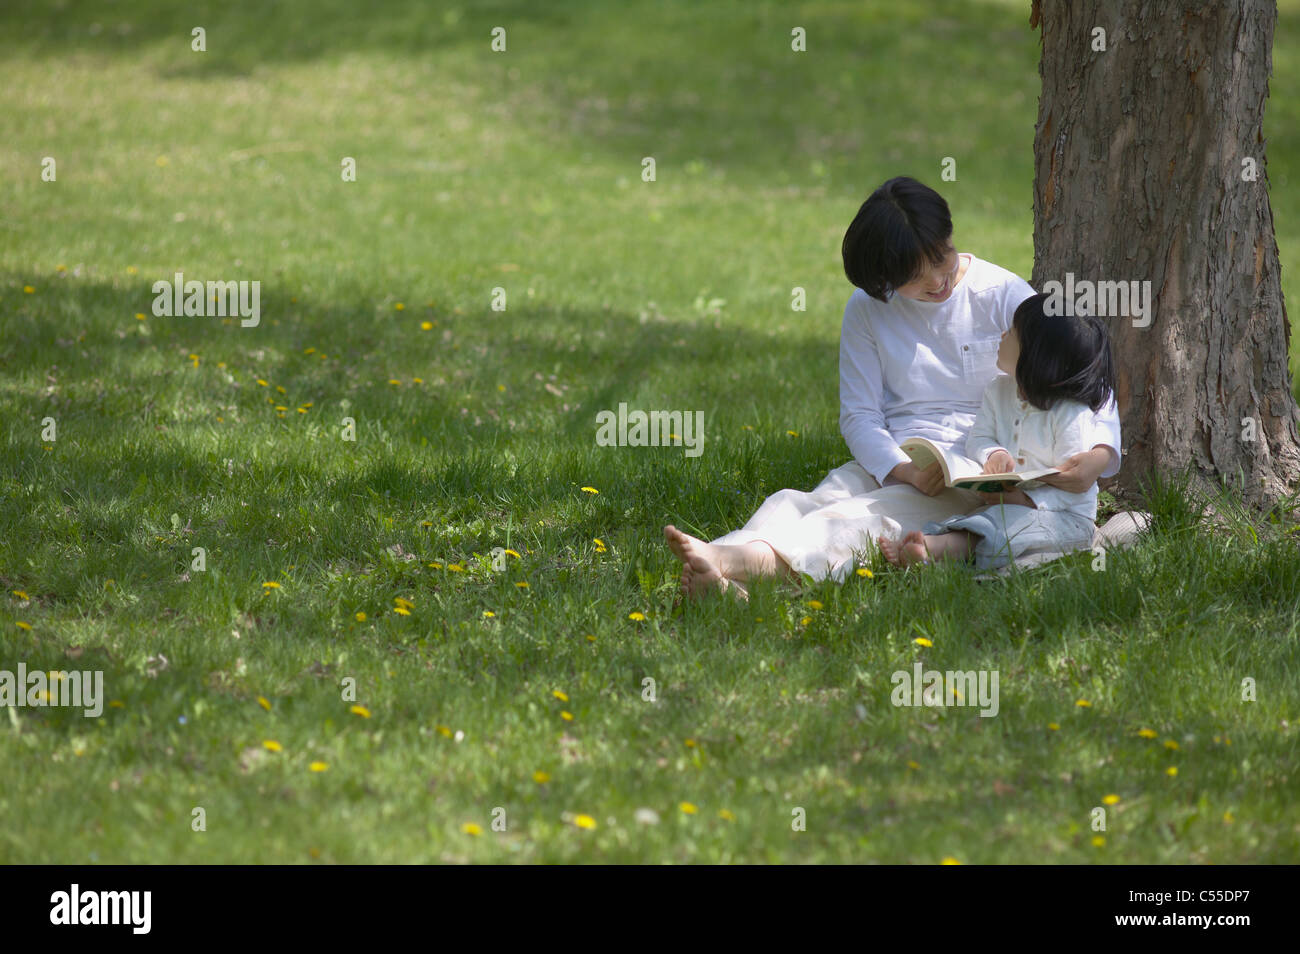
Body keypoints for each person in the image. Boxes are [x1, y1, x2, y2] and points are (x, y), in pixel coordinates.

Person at [664, 176, 1121, 597]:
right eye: (916, 278)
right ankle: (726, 572)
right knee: (810, 499)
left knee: (859, 521)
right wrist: (902, 469)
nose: (938, 281)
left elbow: (1079, 371)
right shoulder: (867, 309)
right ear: (884, 280)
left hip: (972, 469)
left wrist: (1098, 457)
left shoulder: (1001, 294)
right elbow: (860, 416)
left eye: (941, 258)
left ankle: (727, 565)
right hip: (900, 457)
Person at [878, 293, 1114, 569]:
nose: (1003, 335)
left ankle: (934, 549)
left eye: (1012, 333)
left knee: (1005, 528)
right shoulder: (998, 390)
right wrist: (994, 453)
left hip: (1065, 517)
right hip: (1005, 507)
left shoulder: (1070, 415)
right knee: (983, 520)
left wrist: (1024, 500)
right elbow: (979, 437)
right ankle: (932, 545)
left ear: (1037, 356)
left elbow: (1075, 489)